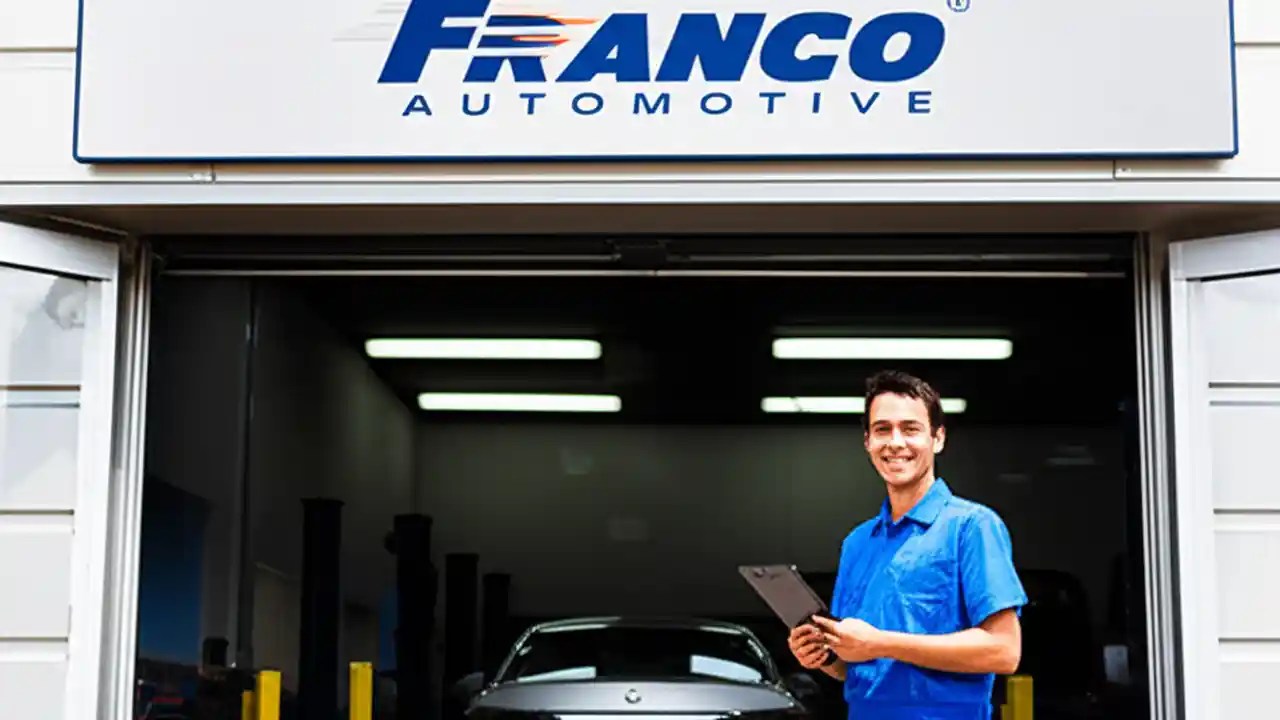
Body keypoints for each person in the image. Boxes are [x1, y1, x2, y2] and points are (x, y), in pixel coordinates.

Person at [789, 370, 1027, 720]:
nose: (895, 442)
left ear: (938, 438)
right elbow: (851, 667)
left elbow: (1004, 651)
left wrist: (880, 643)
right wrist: (823, 656)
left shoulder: (972, 527)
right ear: (867, 442)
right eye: (882, 429)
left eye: (910, 429)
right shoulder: (857, 543)